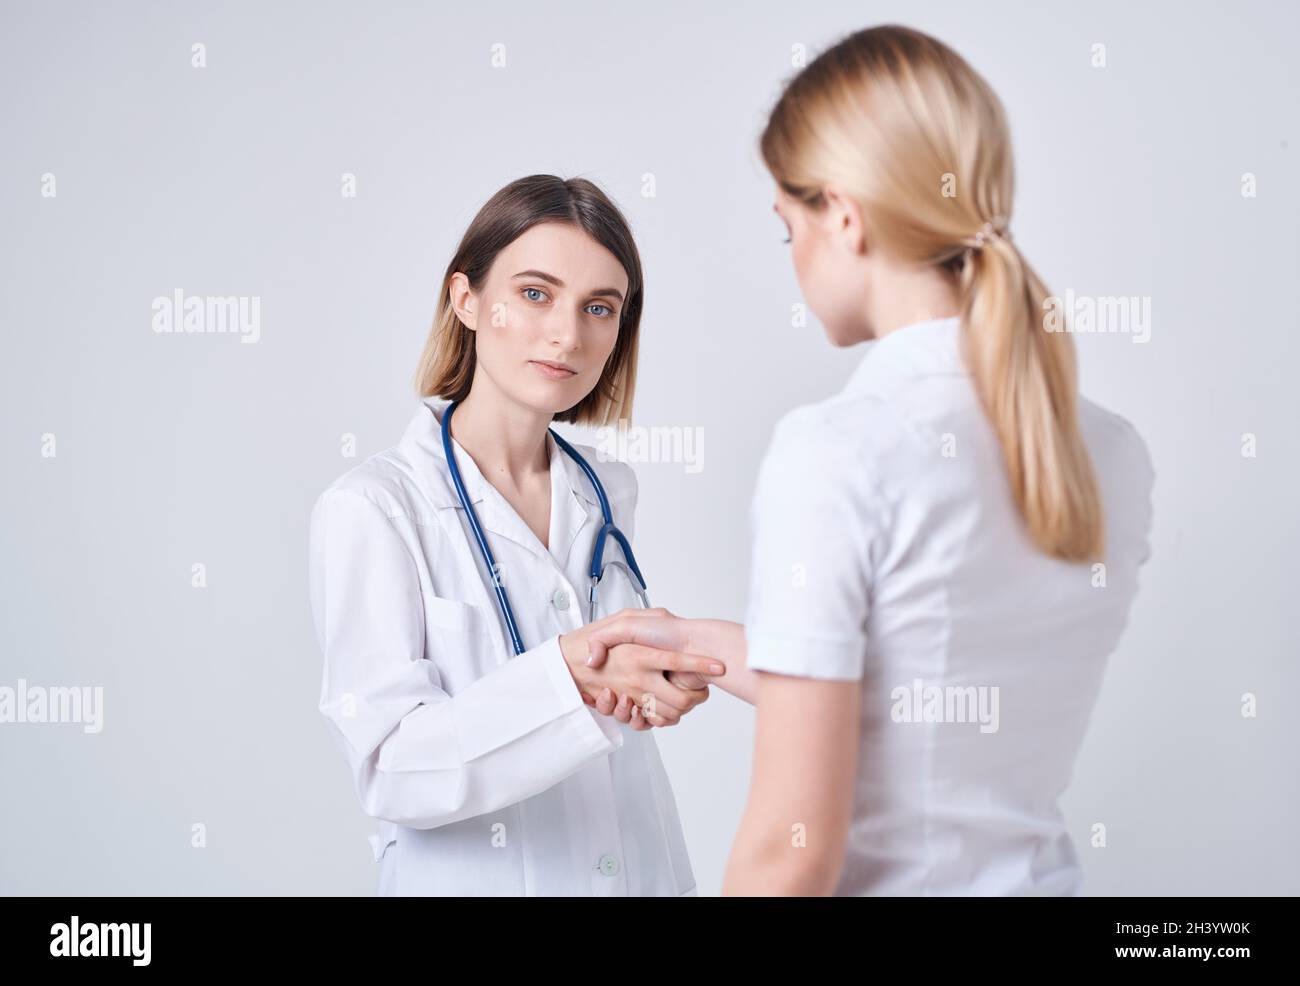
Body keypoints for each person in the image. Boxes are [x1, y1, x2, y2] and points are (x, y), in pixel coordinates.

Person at [586, 24, 1156, 896]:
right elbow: (927, 685)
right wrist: (707, 643)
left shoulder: (837, 451)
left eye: (789, 229)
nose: (795, 261)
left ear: (843, 216)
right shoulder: (1110, 450)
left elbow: (792, 850)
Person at [307, 174, 725, 896]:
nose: (569, 334)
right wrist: (569, 677)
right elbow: (390, 767)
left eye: (601, 307)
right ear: (465, 299)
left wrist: (652, 683)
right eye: (536, 293)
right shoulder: (374, 509)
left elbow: (612, 705)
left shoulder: (609, 490)